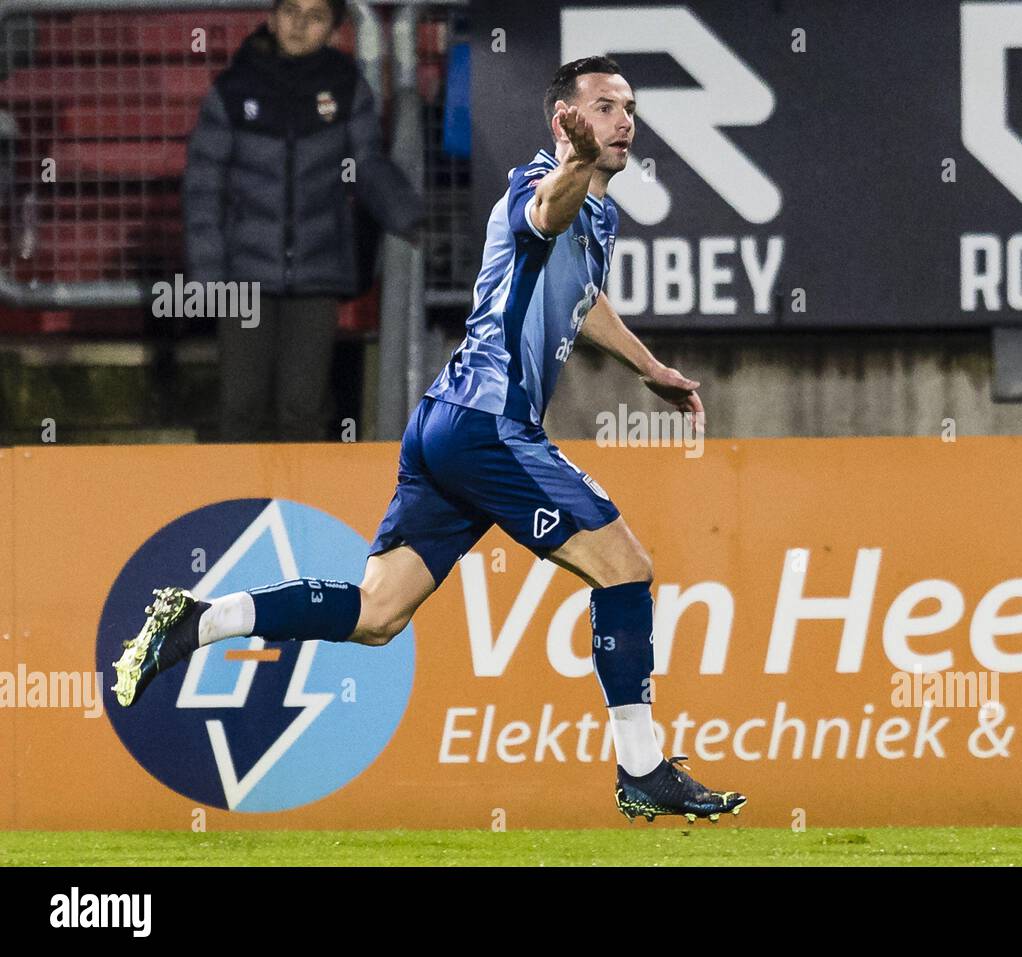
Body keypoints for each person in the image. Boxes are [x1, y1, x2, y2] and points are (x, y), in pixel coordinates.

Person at [115, 56, 746, 824]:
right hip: (488, 424)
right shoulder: (536, 185)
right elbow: (548, 208)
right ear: (565, 121)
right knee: (625, 571)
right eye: (606, 107)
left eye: (630, 107)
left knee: (379, 613)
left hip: (447, 424)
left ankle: (202, 619)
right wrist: (575, 164)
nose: (624, 120)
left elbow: (580, 296)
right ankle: (642, 767)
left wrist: (649, 367)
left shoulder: (601, 214)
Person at [182, 0, 423, 441]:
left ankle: (298, 509)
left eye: (315, 17)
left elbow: (367, 162)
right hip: (243, 278)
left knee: (303, 410)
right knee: (239, 409)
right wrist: (208, 277)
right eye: (291, 11)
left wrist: (406, 212)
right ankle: (239, 506)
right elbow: (203, 186)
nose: (300, 25)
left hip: (317, 271)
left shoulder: (345, 86)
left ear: (332, 29)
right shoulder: (234, 88)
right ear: (272, 17)